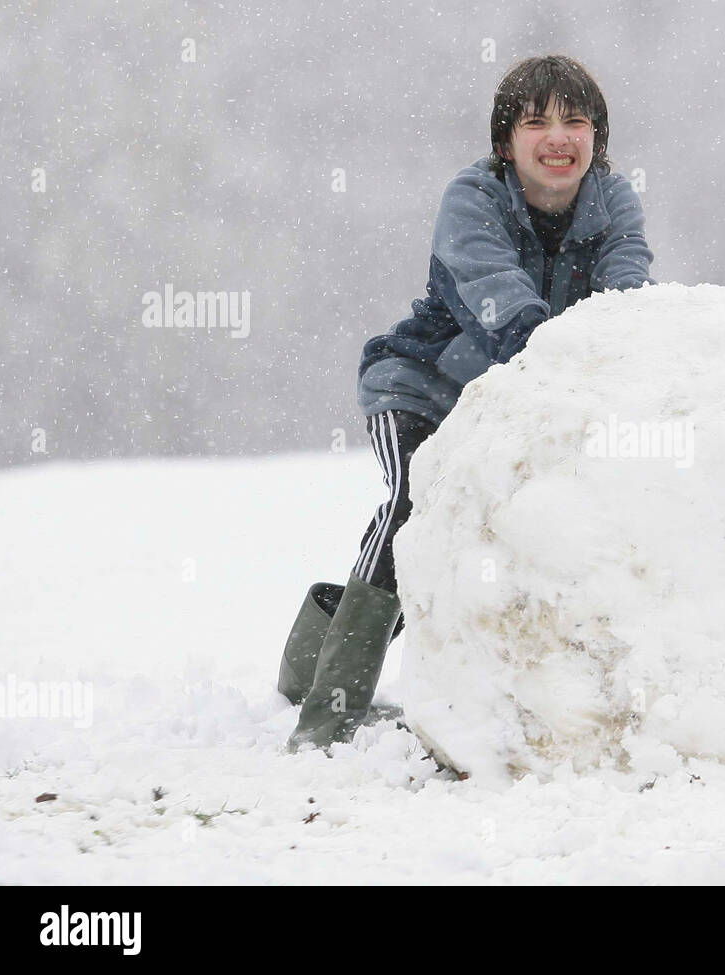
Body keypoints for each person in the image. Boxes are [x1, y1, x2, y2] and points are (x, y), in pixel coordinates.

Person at [278, 55, 654, 751]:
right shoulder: (471, 199)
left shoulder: (615, 202)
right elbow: (505, 312)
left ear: (598, 138)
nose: (558, 137)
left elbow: (625, 300)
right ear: (505, 141)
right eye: (536, 121)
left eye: (576, 121)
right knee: (414, 509)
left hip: (535, 396)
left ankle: (315, 669)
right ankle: (327, 712)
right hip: (424, 388)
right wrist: (579, 360)